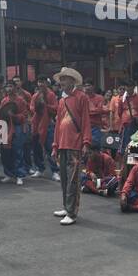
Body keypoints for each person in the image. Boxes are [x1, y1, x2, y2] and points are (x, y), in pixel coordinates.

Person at [51, 68, 88, 225]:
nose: (62, 83)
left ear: (72, 81)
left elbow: (86, 121)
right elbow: (58, 125)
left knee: (73, 180)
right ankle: (67, 207)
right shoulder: (61, 101)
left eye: (65, 79)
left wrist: (86, 142)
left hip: (75, 144)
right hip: (62, 144)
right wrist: (55, 145)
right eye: (61, 80)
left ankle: (72, 213)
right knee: (64, 179)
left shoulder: (81, 97)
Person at [29, 75, 58, 180]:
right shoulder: (35, 96)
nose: (41, 84)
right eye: (39, 82)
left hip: (48, 124)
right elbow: (32, 108)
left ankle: (55, 171)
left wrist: (45, 106)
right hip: (36, 124)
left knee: (50, 149)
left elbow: (55, 108)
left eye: (42, 82)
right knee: (36, 148)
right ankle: (39, 169)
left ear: (47, 83)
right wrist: (38, 107)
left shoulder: (51, 95)